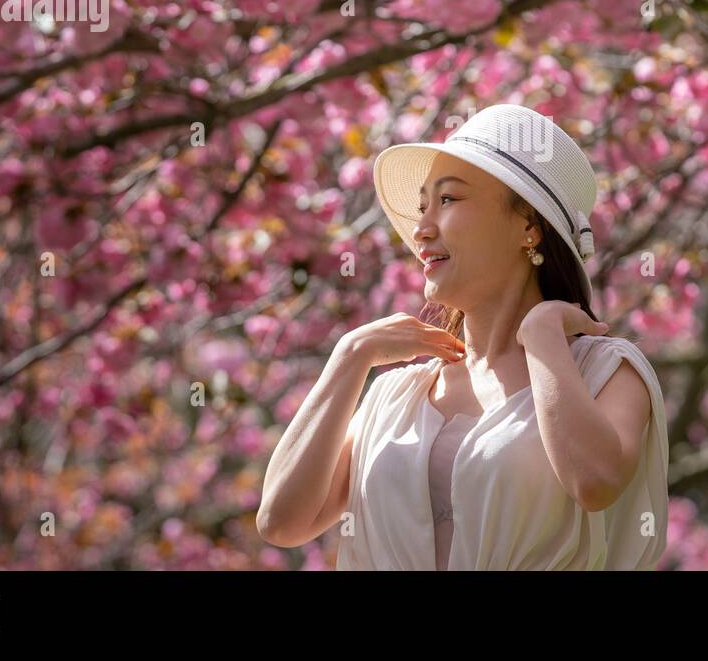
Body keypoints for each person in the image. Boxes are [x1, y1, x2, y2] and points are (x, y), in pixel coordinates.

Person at [257, 104, 669, 569]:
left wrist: (542, 337)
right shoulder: (397, 395)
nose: (420, 230)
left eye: (448, 200)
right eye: (421, 207)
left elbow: (594, 482)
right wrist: (350, 356)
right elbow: (281, 521)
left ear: (529, 227)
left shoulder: (605, 371)